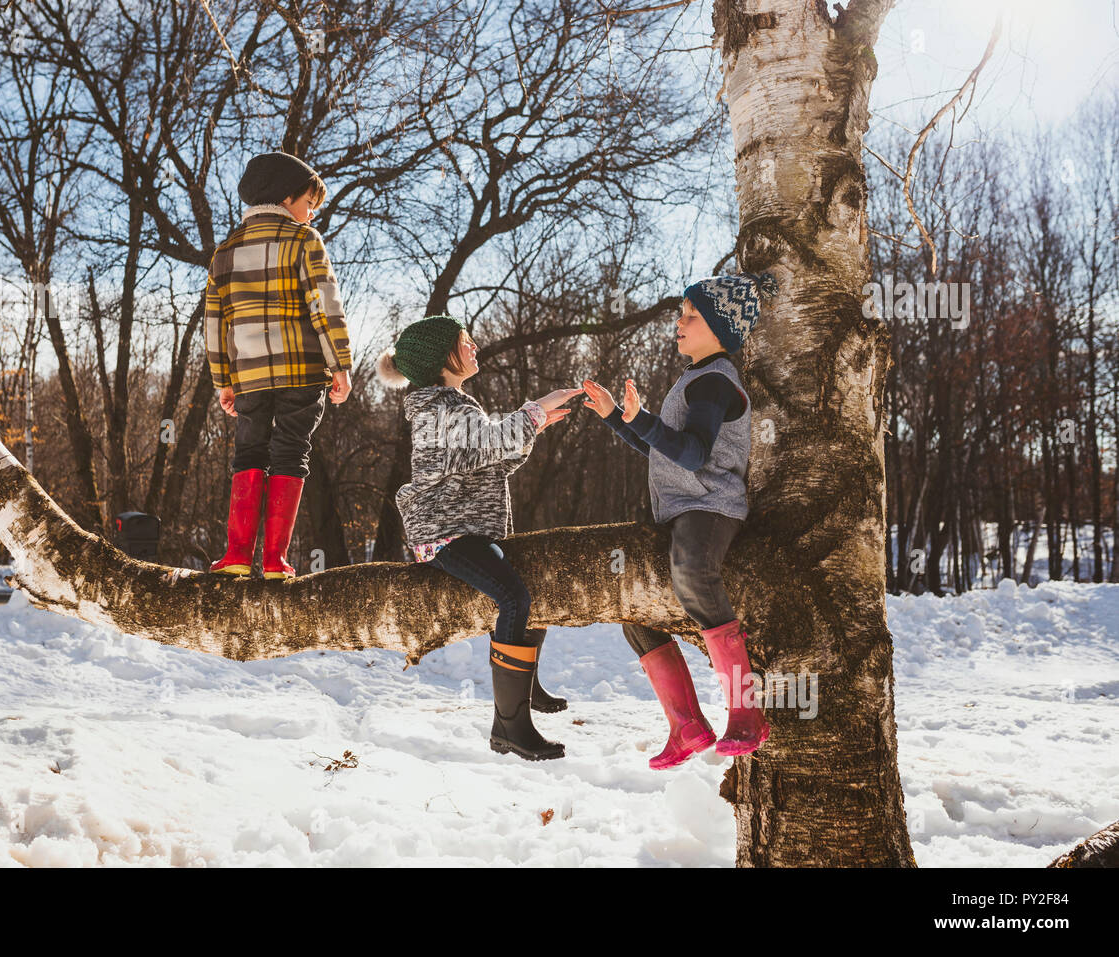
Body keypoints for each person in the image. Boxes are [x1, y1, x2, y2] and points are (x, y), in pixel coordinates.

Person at [582, 272, 777, 767]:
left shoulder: (715, 382)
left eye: (691, 314)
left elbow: (691, 456)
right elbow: (661, 451)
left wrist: (641, 418)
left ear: (719, 327)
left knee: (692, 572)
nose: (679, 322)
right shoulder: (695, 378)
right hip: (677, 511)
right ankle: (686, 726)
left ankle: (745, 712)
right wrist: (617, 418)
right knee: (634, 608)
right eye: (681, 312)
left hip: (710, 507)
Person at [377, 315, 582, 760]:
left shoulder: (454, 404)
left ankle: (524, 689)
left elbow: (491, 462)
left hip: (467, 529)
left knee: (533, 580)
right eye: (465, 343)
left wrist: (531, 429)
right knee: (513, 597)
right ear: (441, 358)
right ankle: (509, 725)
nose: (475, 348)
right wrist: (535, 409)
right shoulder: (437, 409)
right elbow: (489, 445)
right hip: (443, 534)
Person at [205, 151, 352, 579]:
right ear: (287, 198)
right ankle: (274, 561)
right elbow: (325, 306)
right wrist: (339, 364)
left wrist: (223, 381)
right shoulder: (304, 240)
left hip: (249, 378)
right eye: (309, 204)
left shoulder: (225, 252)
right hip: (302, 373)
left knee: (248, 450)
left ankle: (235, 556)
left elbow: (216, 323)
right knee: (291, 450)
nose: (310, 215)